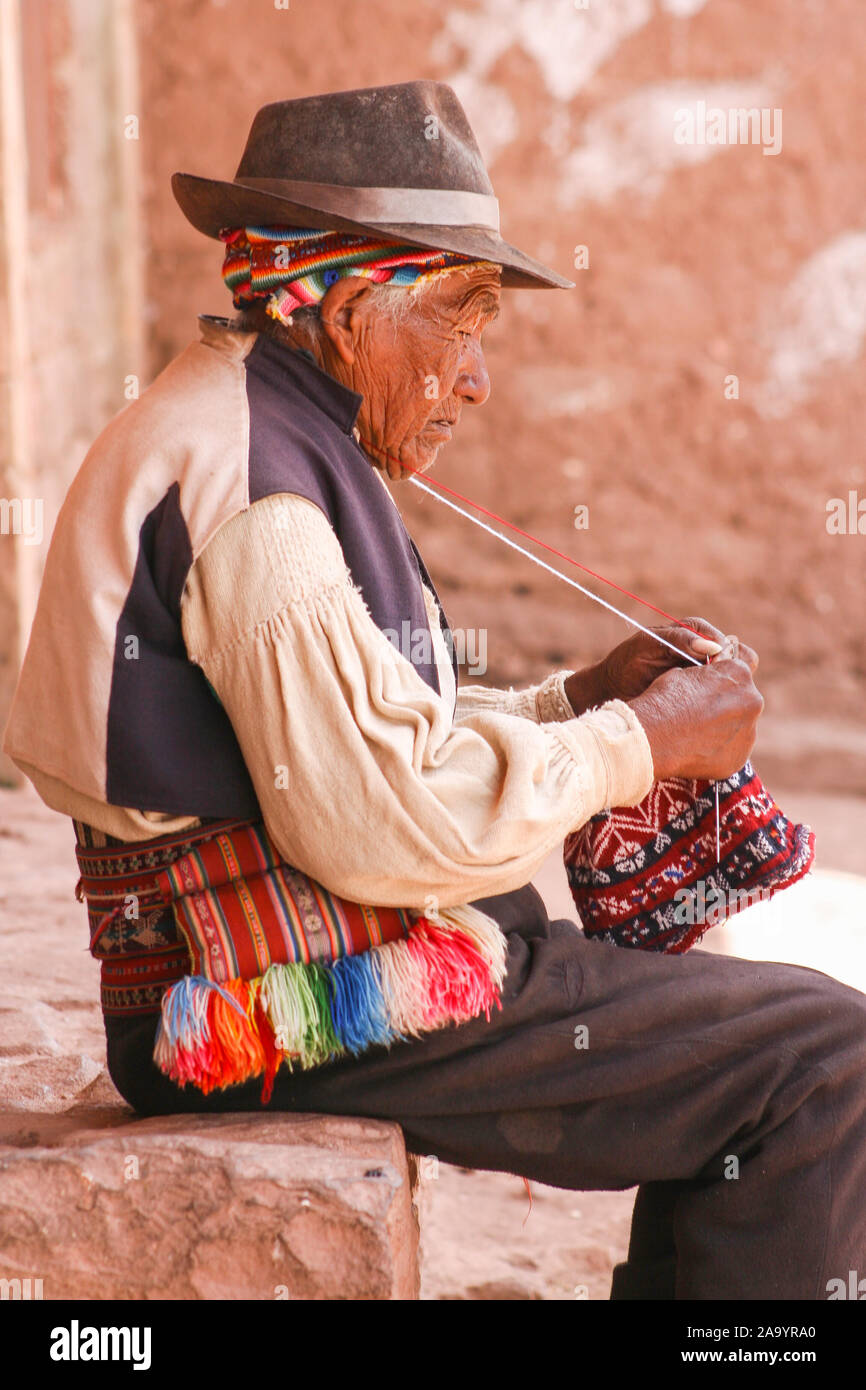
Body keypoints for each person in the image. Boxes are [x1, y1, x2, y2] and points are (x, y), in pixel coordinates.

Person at [4, 82, 865, 1300]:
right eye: (458, 322)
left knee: (766, 1051)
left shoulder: (254, 419)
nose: (475, 379)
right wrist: (637, 743)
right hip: (282, 1005)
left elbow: (369, 734)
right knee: (826, 1061)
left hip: (322, 963)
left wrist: (578, 702)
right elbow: (374, 824)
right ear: (352, 314)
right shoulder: (264, 497)